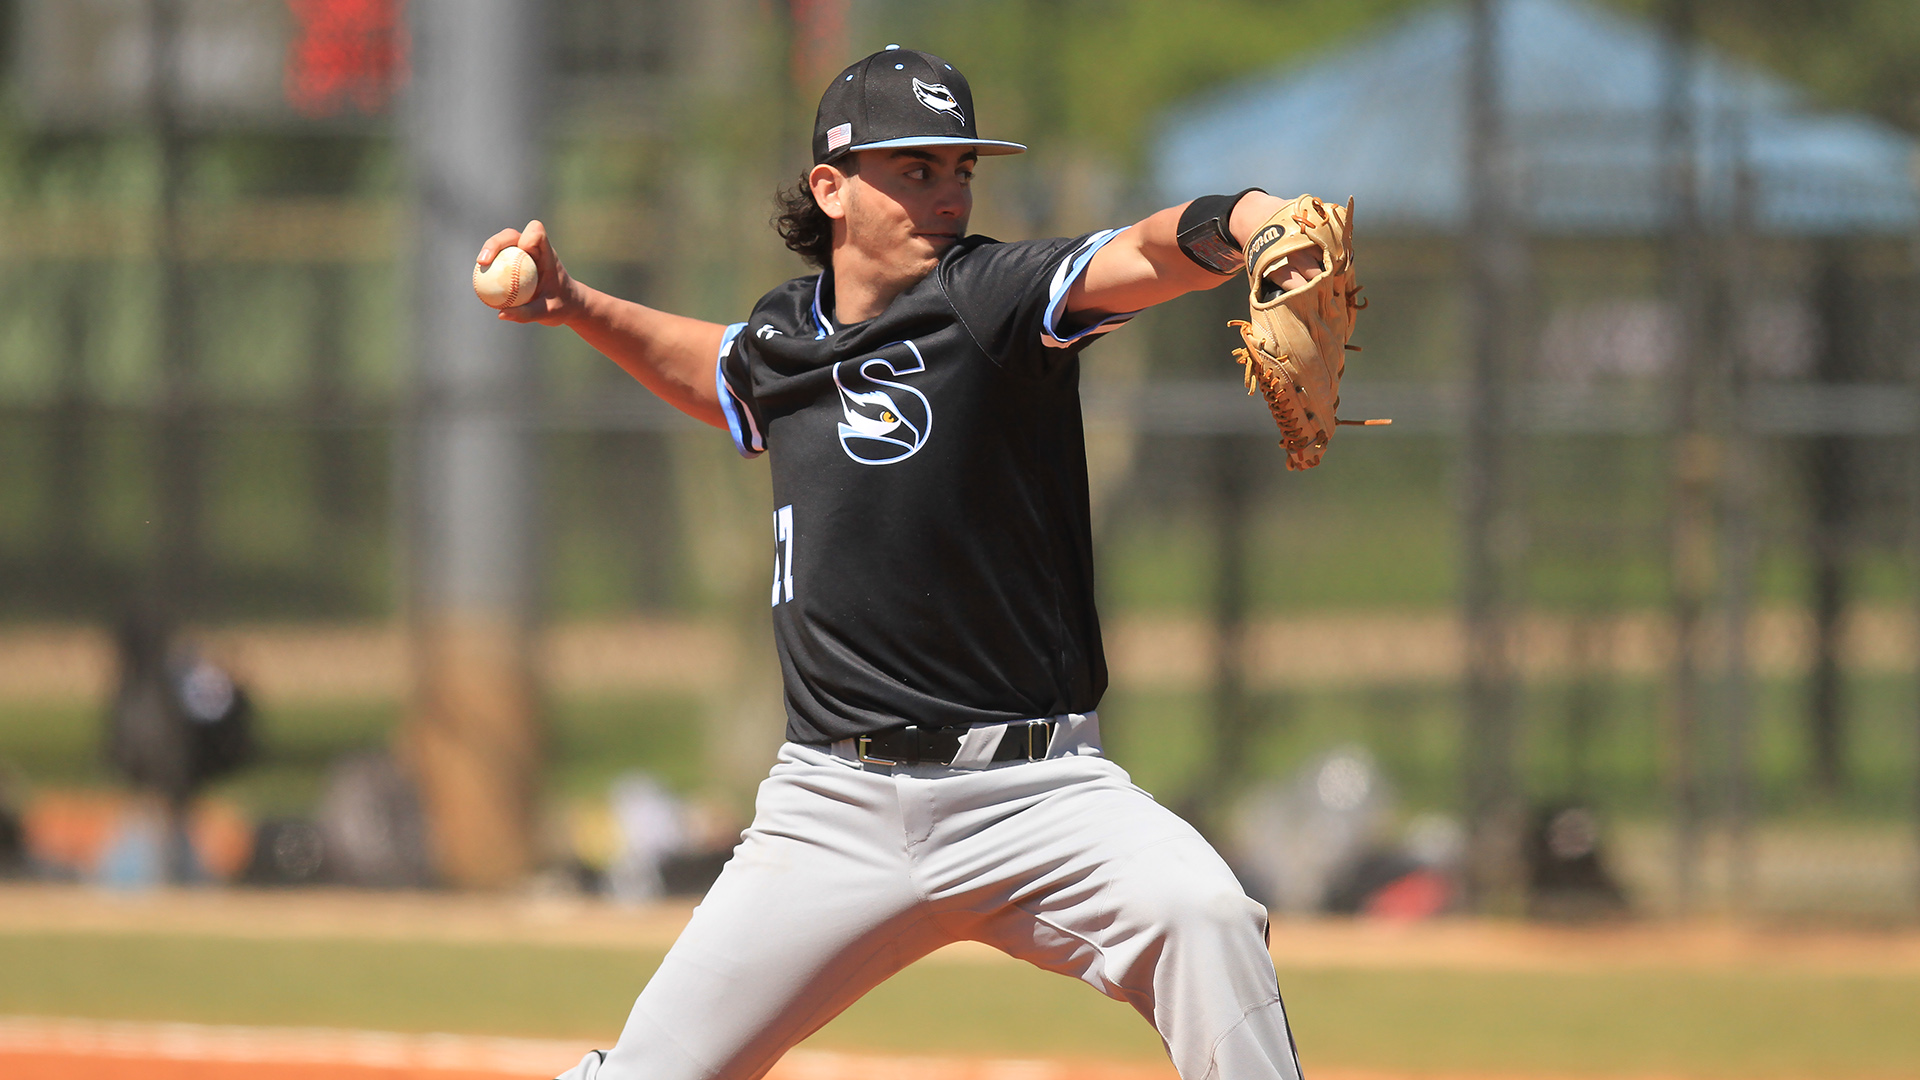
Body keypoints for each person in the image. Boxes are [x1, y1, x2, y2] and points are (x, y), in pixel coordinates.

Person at [479, 45, 1326, 1080]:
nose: (949, 193)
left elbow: (1143, 253)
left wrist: (1247, 219)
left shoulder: (993, 296)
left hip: (1037, 797)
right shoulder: (786, 336)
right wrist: (573, 302)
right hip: (832, 808)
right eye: (915, 169)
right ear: (831, 187)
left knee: (1205, 917)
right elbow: (721, 372)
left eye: (960, 168)